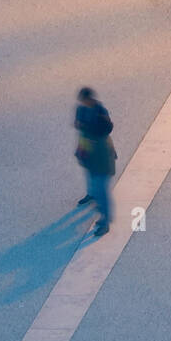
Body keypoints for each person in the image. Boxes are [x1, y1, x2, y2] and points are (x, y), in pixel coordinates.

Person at [74, 87, 117, 237]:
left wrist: (87, 129)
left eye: (85, 101)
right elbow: (78, 125)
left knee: (101, 191)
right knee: (93, 182)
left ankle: (105, 222)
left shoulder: (100, 113)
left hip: (101, 159)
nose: (83, 104)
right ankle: (93, 197)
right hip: (89, 154)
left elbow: (105, 129)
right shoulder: (81, 110)